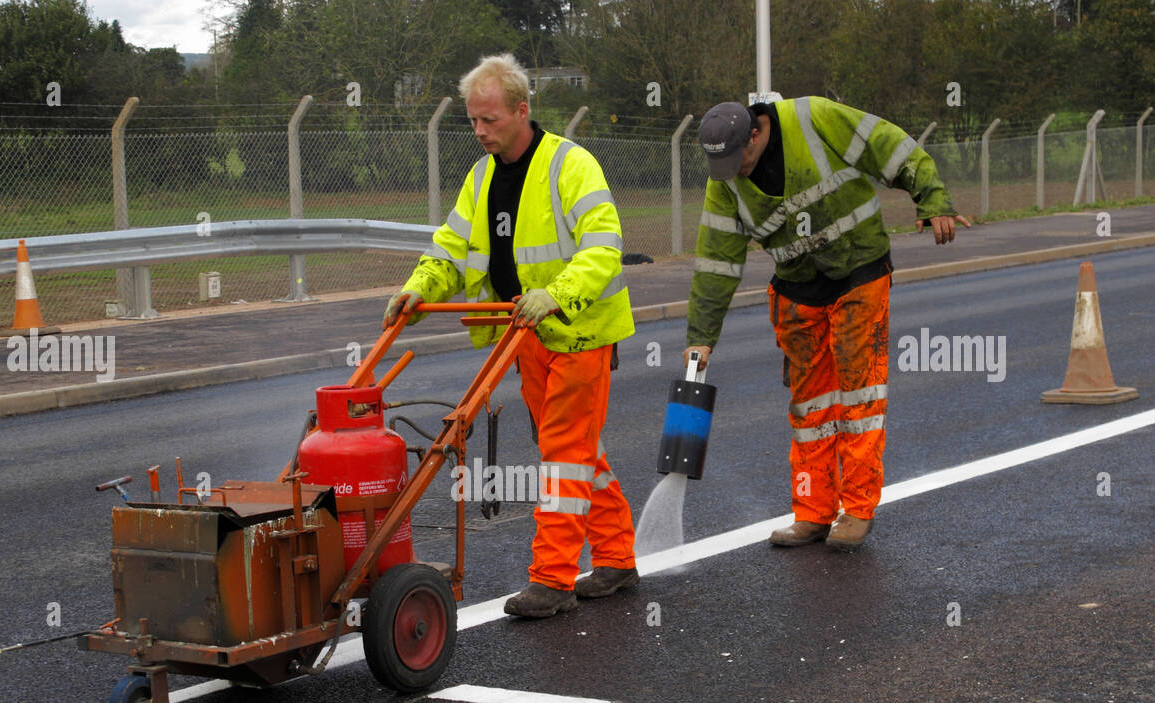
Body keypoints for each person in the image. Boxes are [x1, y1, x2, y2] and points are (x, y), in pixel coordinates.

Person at [384, 53, 639, 617]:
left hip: (578, 331)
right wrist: (419, 290)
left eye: (490, 120)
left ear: (522, 111)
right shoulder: (481, 177)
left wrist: (558, 294)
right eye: (472, 121)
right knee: (572, 453)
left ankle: (551, 579)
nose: (479, 131)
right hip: (523, 335)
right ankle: (617, 557)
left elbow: (603, 249)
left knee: (564, 456)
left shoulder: (571, 166)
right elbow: (450, 248)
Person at [684, 97, 970, 549]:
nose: (734, 171)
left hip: (859, 271)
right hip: (798, 289)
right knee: (810, 409)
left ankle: (856, 511)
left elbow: (891, 148)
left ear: (754, 134)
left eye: (738, 159)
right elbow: (717, 262)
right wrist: (701, 338)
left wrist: (932, 198)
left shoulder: (814, 118)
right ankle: (813, 512)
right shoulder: (726, 180)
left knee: (860, 395)